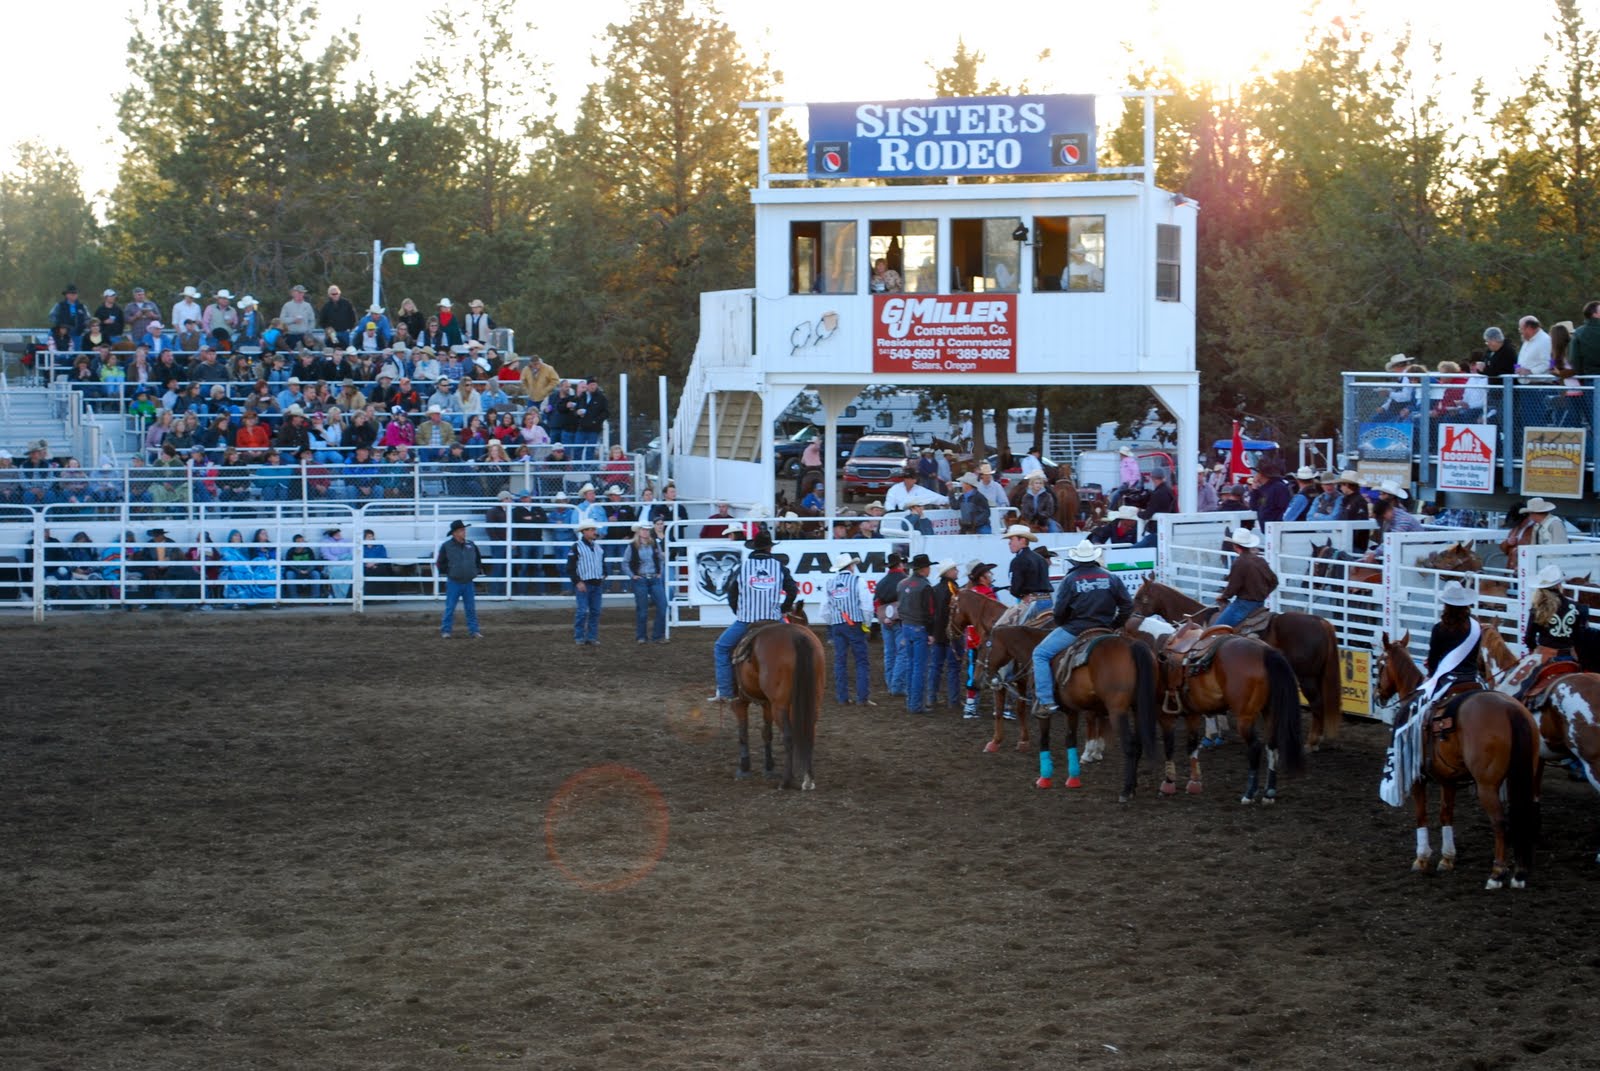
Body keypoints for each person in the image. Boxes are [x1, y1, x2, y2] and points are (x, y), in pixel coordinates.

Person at [1031, 540, 1132, 718]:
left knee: (1040, 653)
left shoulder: (1070, 579)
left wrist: (1063, 622)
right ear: (1094, 558)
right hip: (1105, 629)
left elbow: (1060, 611)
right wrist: (1114, 624)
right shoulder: (1111, 577)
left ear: (1076, 561)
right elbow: (1127, 606)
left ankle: (1045, 701)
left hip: (1076, 629)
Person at [709, 530, 798, 701]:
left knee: (721, 648)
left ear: (754, 548)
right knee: (795, 649)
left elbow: (732, 594)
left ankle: (726, 692)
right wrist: (783, 608)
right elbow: (792, 591)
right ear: (769, 549)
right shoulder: (779, 567)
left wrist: (739, 611)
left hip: (747, 620)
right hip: (773, 619)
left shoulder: (742, 568)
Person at [822, 551, 874, 706]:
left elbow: (824, 610)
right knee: (861, 661)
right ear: (851, 566)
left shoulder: (830, 583)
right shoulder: (858, 581)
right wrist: (867, 624)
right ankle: (862, 697)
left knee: (840, 662)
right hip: (855, 625)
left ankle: (842, 697)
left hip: (838, 626)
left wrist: (834, 622)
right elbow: (867, 607)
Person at [1419, 582, 1481, 707]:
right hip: (1472, 677)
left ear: (1446, 605)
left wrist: (1431, 675)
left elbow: (1434, 658)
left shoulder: (1439, 629)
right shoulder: (1475, 627)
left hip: (1448, 678)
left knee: (1422, 703)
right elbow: (1476, 654)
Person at [1523, 565, 1590, 667]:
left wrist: (1534, 648)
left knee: (1523, 681)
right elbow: (1582, 637)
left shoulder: (1538, 609)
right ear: (1559, 585)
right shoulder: (1578, 608)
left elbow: (1529, 638)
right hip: (1570, 657)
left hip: (1544, 657)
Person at [896, 554, 936, 714]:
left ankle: (911, 702)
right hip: (920, 628)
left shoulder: (902, 584)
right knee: (919, 667)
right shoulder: (925, 586)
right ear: (924, 569)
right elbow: (930, 612)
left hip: (906, 626)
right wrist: (931, 633)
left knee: (911, 664)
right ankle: (916, 704)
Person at [1214, 527, 1277, 628]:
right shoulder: (1260, 560)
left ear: (1235, 546)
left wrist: (1223, 596)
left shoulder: (1239, 562)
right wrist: (1263, 593)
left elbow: (1233, 587)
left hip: (1243, 605)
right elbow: (1274, 581)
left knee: (1216, 629)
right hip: (1260, 604)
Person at [436, 519, 484, 638]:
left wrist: (474, 571)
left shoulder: (470, 545)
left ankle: (473, 631)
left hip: (467, 581)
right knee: (451, 608)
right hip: (454, 581)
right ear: (455, 533)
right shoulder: (447, 546)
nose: (464, 532)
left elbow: (478, 561)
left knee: (470, 608)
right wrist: (451, 572)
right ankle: (447, 630)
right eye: (462, 530)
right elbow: (440, 563)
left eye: (464, 530)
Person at [927, 560, 963, 709]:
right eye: (954, 569)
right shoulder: (953, 589)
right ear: (948, 572)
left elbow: (932, 613)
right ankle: (953, 700)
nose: (957, 571)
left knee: (935, 666)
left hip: (937, 633)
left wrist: (933, 632)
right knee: (954, 667)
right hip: (952, 633)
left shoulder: (935, 589)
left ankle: (931, 697)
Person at [625, 520, 668, 644]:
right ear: (638, 531)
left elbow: (660, 559)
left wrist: (660, 572)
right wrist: (632, 576)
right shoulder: (632, 546)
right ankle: (645, 636)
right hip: (641, 579)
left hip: (653, 578)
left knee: (662, 606)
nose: (646, 532)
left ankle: (653, 636)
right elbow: (625, 563)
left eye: (647, 530)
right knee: (643, 610)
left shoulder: (653, 544)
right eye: (643, 529)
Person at [568, 517, 608, 645]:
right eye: (592, 530)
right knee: (583, 611)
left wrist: (604, 573)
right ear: (584, 532)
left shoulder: (598, 548)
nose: (594, 532)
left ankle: (591, 637)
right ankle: (580, 636)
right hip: (584, 583)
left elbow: (602, 563)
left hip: (596, 582)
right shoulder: (576, 547)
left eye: (594, 529)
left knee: (595, 611)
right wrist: (577, 581)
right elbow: (570, 567)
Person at [874, 553, 908, 697]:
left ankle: (891, 683)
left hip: (885, 620)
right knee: (903, 652)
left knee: (889, 652)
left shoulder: (881, 582)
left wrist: (883, 617)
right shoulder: (905, 581)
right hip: (900, 620)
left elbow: (876, 603)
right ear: (900, 565)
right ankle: (897, 685)